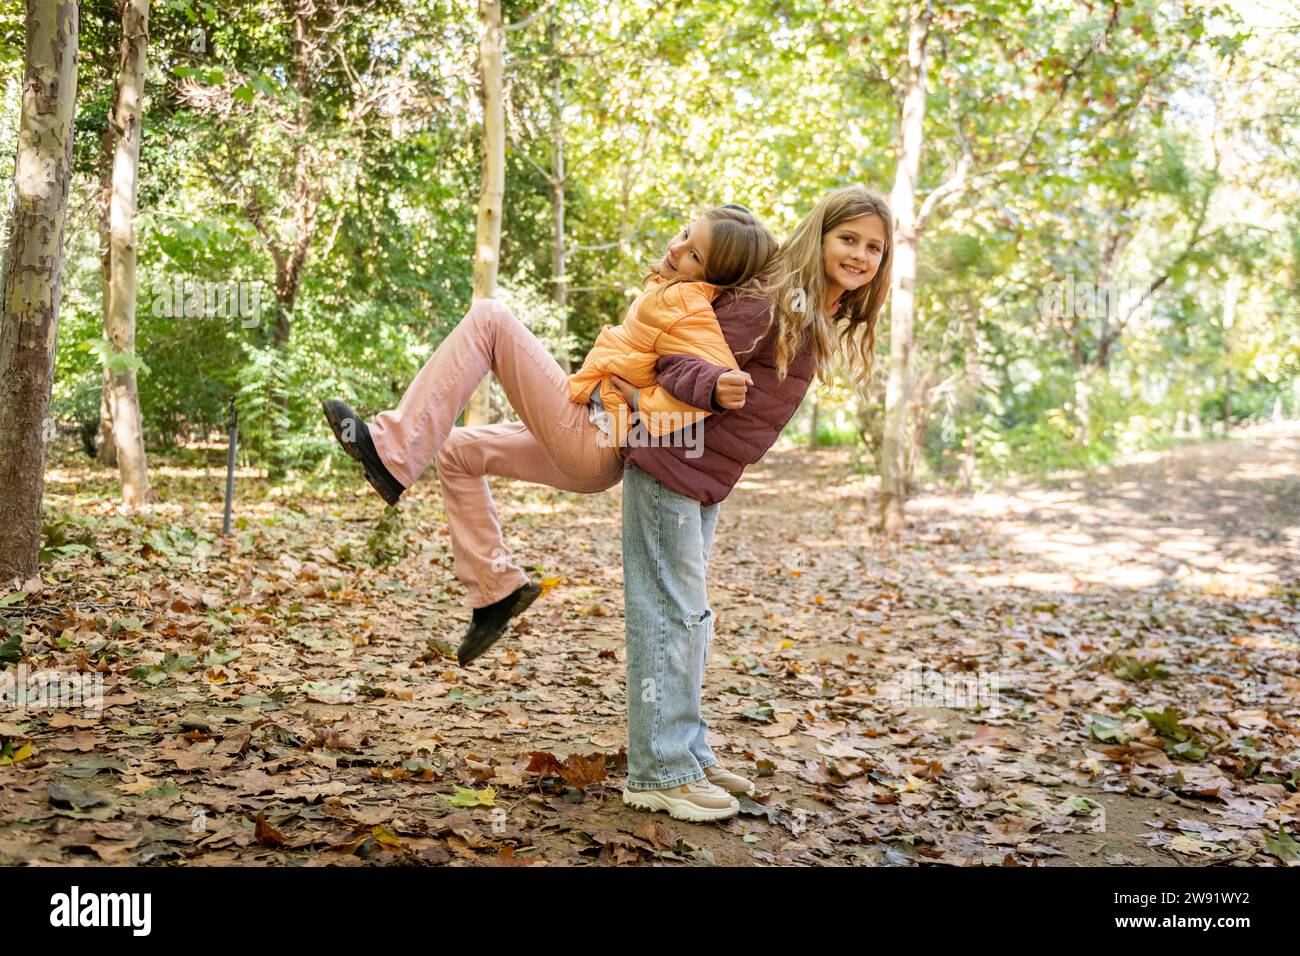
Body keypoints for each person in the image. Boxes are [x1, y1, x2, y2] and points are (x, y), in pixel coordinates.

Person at [321, 206, 776, 665]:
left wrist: (641, 404)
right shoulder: (669, 292)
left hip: (594, 436)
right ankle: (494, 589)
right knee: (458, 453)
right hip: (586, 436)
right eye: (683, 234)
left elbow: (703, 394)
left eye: (694, 253)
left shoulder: (690, 306)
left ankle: (392, 453)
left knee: (490, 319)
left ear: (714, 277)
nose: (676, 248)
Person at [614, 186, 893, 822]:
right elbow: (672, 360)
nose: (860, 254)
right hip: (669, 465)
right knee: (669, 617)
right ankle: (658, 771)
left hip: (703, 476)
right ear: (819, 235)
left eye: (873, 247)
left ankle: (687, 751)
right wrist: (713, 385)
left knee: (691, 617)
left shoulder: (809, 308)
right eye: (848, 238)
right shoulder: (773, 300)